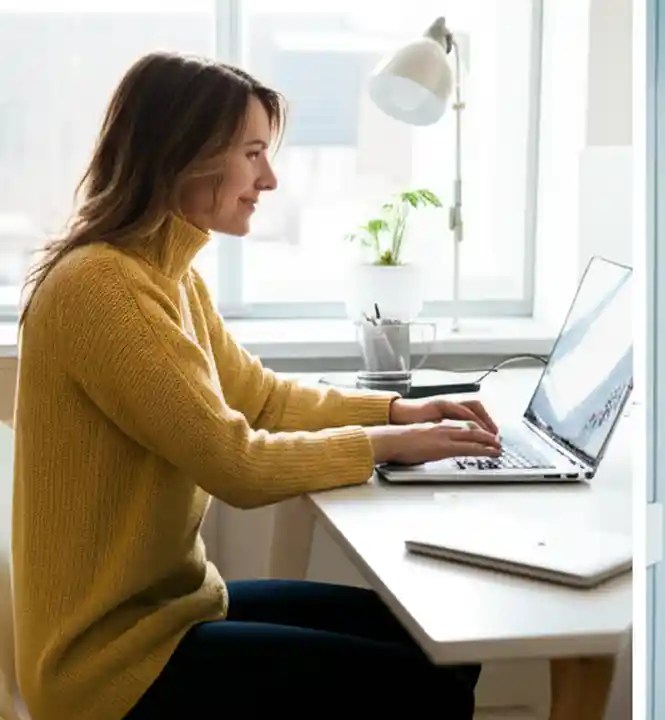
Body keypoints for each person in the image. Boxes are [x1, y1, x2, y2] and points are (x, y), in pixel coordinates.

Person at [12, 51, 502, 720]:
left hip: (172, 612)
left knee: (444, 648)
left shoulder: (168, 276)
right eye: (252, 153)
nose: (268, 179)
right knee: (421, 683)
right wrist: (390, 443)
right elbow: (235, 464)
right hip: (111, 666)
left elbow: (263, 399)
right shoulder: (102, 290)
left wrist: (398, 409)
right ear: (187, 154)